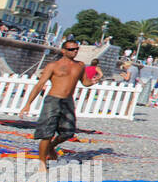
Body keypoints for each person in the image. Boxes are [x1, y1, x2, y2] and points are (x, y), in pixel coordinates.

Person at [15, 39, 101, 171]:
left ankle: (51, 147)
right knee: (46, 133)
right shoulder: (53, 65)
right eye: (72, 49)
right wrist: (27, 104)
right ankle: (42, 162)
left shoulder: (80, 65)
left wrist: (93, 81)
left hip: (68, 101)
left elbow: (85, 82)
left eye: (77, 49)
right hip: (53, 100)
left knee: (68, 132)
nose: (75, 51)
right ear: (63, 51)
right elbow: (40, 85)